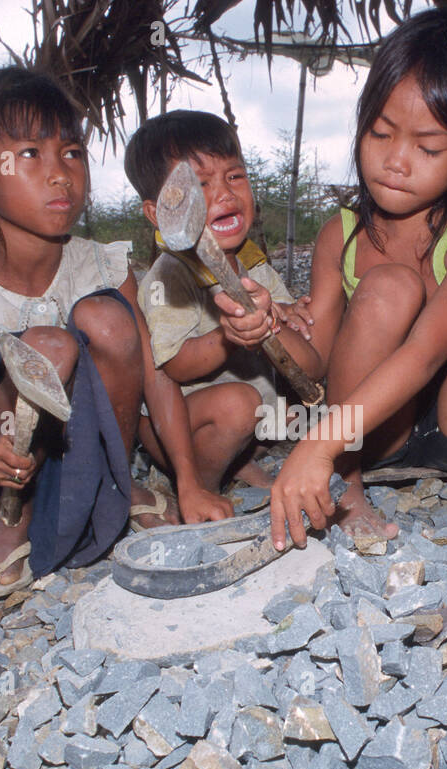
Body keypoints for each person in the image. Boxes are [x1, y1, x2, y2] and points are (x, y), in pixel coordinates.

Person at [0, 67, 228, 598]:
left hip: (95, 442)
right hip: (9, 456)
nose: (61, 174)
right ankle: (15, 519)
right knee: (47, 344)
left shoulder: (105, 266)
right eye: (30, 154)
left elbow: (151, 373)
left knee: (105, 319)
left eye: (73, 152)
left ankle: (117, 483)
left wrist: (189, 481)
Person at [269, 9, 447, 549]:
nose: (396, 162)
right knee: (390, 286)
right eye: (380, 132)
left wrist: (315, 447)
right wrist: (265, 326)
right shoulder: (340, 235)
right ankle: (346, 486)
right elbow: (316, 364)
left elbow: (425, 352)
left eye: (427, 148)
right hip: (372, 435)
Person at [125, 110, 326, 496]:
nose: (224, 194)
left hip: (243, 412)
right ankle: (199, 485)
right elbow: (177, 366)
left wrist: (282, 314)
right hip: (174, 427)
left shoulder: (250, 259)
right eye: (199, 184)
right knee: (240, 404)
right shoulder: (170, 274)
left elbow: (294, 333)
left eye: (235, 176)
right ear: (158, 213)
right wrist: (227, 336)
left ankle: (237, 460)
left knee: (292, 402)